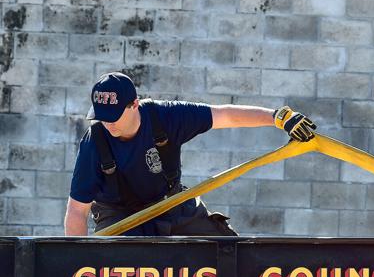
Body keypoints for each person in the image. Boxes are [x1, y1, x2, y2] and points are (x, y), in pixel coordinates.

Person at [64, 72, 317, 236]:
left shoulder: (166, 117)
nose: (107, 124)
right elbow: (77, 211)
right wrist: (78, 262)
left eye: (113, 116)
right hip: (120, 218)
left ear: (134, 105)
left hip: (171, 204)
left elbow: (224, 115)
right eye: (101, 117)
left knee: (228, 249)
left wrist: (277, 117)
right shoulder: (95, 141)